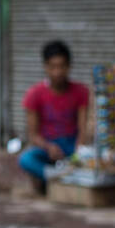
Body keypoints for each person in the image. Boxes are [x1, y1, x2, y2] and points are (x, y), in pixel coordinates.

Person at [20, 40, 91, 192]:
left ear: (69, 66)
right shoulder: (34, 94)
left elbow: (83, 128)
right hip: (48, 146)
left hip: (73, 145)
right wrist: (48, 146)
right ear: (45, 67)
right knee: (26, 159)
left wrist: (79, 152)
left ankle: (67, 174)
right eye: (53, 67)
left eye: (62, 66)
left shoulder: (81, 91)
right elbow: (33, 135)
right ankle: (57, 175)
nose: (58, 72)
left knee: (95, 156)